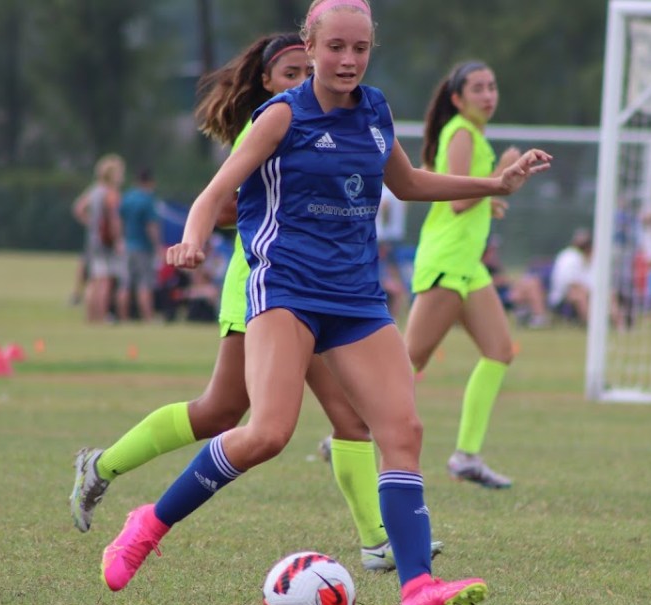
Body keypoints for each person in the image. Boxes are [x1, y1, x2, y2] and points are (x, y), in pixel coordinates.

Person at [93, 0, 551, 605]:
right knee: (267, 433)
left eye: (360, 49)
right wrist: (193, 239)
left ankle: (417, 590)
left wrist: (494, 187)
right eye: (336, 47)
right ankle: (147, 525)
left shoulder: (376, 108)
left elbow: (409, 183)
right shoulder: (281, 115)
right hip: (285, 290)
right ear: (310, 46)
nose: (348, 60)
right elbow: (214, 194)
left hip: (358, 298)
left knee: (402, 429)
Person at [71, 32, 443, 577]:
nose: (301, 80)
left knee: (348, 417)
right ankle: (102, 465)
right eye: (290, 73)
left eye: (303, 71)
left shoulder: (357, 114)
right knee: (223, 414)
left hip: (326, 288)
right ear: (268, 81)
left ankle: (376, 542)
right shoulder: (275, 119)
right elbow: (221, 204)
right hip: (265, 282)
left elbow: (397, 182)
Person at [404, 61, 523, 490]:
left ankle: (466, 456)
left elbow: (467, 196)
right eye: (478, 88)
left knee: (500, 350)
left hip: (468, 265)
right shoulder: (460, 131)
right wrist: (500, 176)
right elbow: (456, 199)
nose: (488, 95)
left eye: (492, 87)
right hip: (448, 260)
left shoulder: (470, 134)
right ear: (457, 98)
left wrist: (490, 199)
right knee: (407, 362)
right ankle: (344, 433)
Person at [73, 154, 126, 323]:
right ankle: (102, 316)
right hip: (107, 242)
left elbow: (78, 208)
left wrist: (91, 224)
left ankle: (91, 317)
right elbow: (114, 220)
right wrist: (118, 240)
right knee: (105, 281)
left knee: (94, 280)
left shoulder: (94, 190)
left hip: (93, 240)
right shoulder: (111, 194)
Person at [119, 168, 163, 322]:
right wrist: (158, 246)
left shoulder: (126, 198)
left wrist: (120, 240)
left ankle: (123, 317)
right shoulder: (147, 200)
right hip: (143, 248)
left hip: (127, 246)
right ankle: (148, 317)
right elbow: (151, 226)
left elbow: (119, 221)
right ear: (149, 182)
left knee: (125, 284)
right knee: (144, 284)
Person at [375, 184, 408, 318]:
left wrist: (385, 234)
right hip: (396, 237)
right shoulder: (398, 192)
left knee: (385, 276)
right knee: (395, 276)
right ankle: (396, 312)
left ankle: (390, 314)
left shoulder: (385, 193)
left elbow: (385, 208)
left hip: (385, 239)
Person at [548, 228, 594, 323]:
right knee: (580, 296)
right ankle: (591, 325)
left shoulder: (589, 261)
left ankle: (619, 325)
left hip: (583, 293)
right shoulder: (569, 257)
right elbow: (571, 285)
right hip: (562, 298)